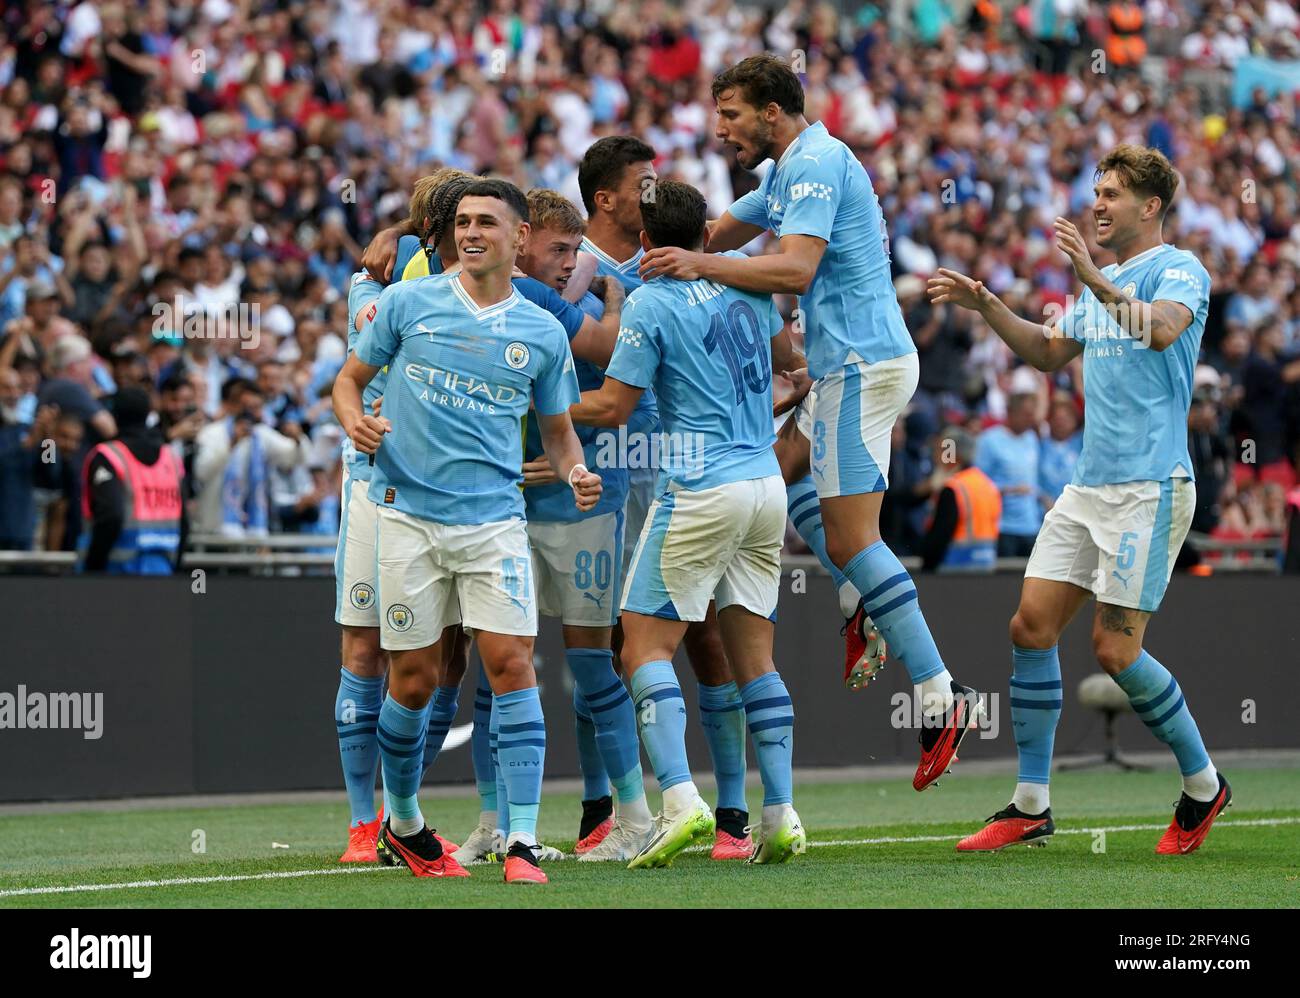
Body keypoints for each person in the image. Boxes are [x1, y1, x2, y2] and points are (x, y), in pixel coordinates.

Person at [643, 54, 980, 790]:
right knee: (777, 471)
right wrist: (628, 265)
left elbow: (792, 271)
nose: (720, 129)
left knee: (856, 537)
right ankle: (859, 600)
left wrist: (696, 271)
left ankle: (940, 693)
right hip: (840, 370)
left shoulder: (819, 164)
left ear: (771, 111)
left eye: (730, 114)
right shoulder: (786, 172)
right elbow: (713, 238)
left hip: (862, 366)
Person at [928, 143, 1231, 854]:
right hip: (1089, 487)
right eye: (1095, 191)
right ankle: (1031, 804)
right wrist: (989, 305)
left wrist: (1092, 277)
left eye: (1112, 194)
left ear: (1150, 207)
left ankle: (1204, 784)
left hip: (1151, 489)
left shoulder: (1179, 269)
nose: (1096, 203)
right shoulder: (1099, 286)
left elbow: (1158, 331)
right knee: (1030, 626)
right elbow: (1043, 351)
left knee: (1115, 652)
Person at [333, 179, 601, 885]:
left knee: (513, 665)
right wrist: (353, 419)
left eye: (487, 221)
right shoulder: (407, 304)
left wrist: (574, 475)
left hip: (494, 522)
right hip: (408, 519)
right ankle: (407, 821)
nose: (472, 230)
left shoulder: (542, 332)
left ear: (519, 238)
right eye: (464, 221)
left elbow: (560, 435)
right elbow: (347, 378)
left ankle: (520, 842)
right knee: (415, 682)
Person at [572, 179, 806, 868]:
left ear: (645, 241)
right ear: (707, 235)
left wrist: (545, 412)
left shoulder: (650, 302)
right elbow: (792, 372)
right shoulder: (749, 287)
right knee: (755, 658)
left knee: (639, 646)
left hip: (701, 486)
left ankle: (679, 802)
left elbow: (614, 407)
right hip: (766, 484)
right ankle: (781, 812)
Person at [515, 188, 653, 861]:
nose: (571, 262)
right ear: (522, 237)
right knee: (502, 667)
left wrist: (557, 451)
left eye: (576, 250)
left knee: (592, 663)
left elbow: (607, 363)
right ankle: (503, 824)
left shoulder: (548, 301)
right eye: (560, 249)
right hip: (507, 506)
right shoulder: (517, 295)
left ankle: (631, 814)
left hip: (586, 500)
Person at [79, 387, 184, 574]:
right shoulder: (172, 458)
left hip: (116, 570)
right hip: (162, 568)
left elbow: (111, 515)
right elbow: (185, 521)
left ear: (115, 415)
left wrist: (92, 567)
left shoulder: (108, 456)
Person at [921, 427, 1001, 573]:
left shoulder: (953, 488)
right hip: (986, 565)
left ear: (953, 454)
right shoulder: (987, 484)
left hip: (955, 568)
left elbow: (939, 538)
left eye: (942, 450)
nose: (936, 456)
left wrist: (927, 567)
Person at [975, 392, 1043, 557]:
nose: (1031, 419)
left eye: (1032, 414)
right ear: (1011, 412)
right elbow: (978, 484)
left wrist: (1042, 497)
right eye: (1026, 415)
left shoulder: (1032, 439)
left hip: (1031, 525)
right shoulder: (989, 440)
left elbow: (1033, 479)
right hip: (1003, 526)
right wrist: (1008, 490)